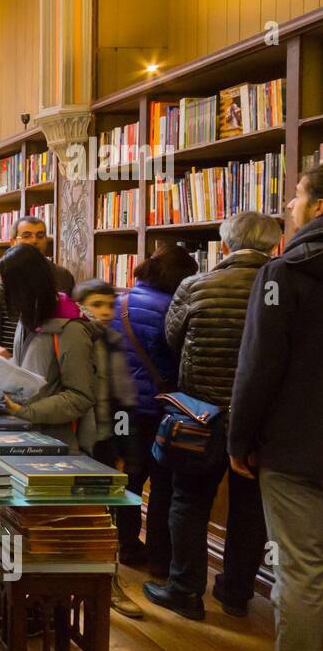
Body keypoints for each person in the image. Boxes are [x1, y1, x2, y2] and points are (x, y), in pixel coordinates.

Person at [145, 211, 281, 621]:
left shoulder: (195, 284)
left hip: (199, 413)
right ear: (274, 247)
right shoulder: (281, 286)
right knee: (249, 508)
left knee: (188, 502)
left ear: (224, 245)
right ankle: (237, 592)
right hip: (259, 419)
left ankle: (185, 589)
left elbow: (172, 337)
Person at [227, 168, 323, 651]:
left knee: (301, 571)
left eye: (298, 195)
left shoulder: (285, 273)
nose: (290, 203)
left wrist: (240, 441)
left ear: (318, 207)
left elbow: (259, 368)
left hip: (296, 446)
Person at [108, 245, 198, 583]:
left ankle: (126, 544)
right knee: (162, 483)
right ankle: (161, 560)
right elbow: (179, 360)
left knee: (128, 479)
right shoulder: (175, 309)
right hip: (160, 409)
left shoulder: (119, 301)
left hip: (122, 408)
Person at [74, 277, 143, 617]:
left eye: (110, 305)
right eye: (95, 304)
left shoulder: (113, 342)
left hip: (102, 441)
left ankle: (109, 585)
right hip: (73, 442)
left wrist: (126, 448)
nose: (104, 311)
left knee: (107, 516)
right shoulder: (72, 338)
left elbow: (124, 397)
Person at [0, 244, 96, 452]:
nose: (4, 296)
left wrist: (27, 411)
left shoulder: (71, 330)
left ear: (23, 289)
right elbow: (28, 367)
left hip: (57, 444)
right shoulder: (28, 318)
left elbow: (80, 396)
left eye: (6, 288)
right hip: (26, 435)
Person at [0, 214, 76, 365]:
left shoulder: (61, 277)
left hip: (39, 363)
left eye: (40, 236)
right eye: (26, 236)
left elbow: (66, 324)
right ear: (13, 241)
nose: (34, 241)